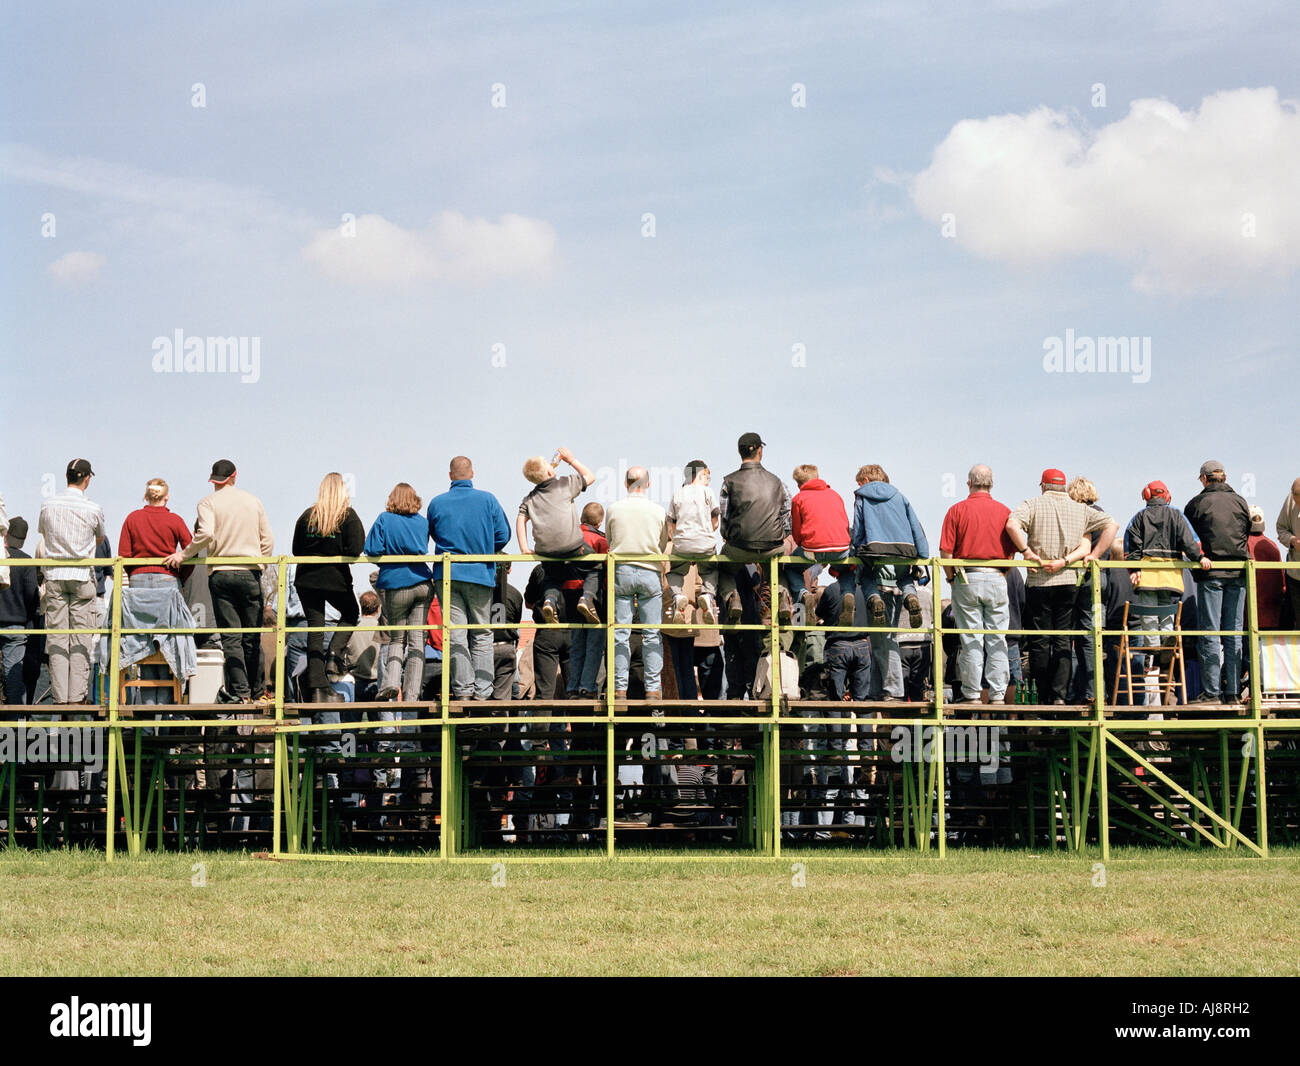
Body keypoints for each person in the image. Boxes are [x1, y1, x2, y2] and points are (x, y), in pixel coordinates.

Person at [165, 460, 274, 704]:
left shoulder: (207, 502)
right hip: (249, 572)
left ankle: (240, 692)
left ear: (214, 480)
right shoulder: (253, 501)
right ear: (235, 477)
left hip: (221, 572)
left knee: (230, 637)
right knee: (252, 635)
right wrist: (261, 563)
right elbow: (267, 540)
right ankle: (258, 692)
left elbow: (206, 533)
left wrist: (183, 554)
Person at [1005, 468, 1117, 705]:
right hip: (1069, 581)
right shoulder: (1081, 509)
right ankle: (1059, 696)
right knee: (1064, 639)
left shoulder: (1032, 504)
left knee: (1040, 641)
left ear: (1043, 485)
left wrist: (1026, 552)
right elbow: (1112, 525)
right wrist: (1095, 554)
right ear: (1063, 486)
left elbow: (1012, 525)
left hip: (1038, 581)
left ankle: (1043, 695)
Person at [427, 456, 512, 702]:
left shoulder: (437, 503)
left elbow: (430, 533)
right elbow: (503, 534)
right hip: (480, 573)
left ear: (450, 475)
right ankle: (483, 692)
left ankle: (463, 691)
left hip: (448, 575)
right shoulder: (488, 500)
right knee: (482, 633)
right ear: (472, 473)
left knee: (455, 633)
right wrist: (485, 548)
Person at [850, 464, 930, 701]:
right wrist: (922, 555)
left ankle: (892, 690)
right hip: (902, 556)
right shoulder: (900, 496)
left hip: (875, 559)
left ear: (864, 479)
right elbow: (916, 526)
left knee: (884, 637)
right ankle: (909, 594)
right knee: (905, 580)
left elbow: (859, 530)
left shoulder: (862, 496)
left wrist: (855, 549)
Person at [118, 478, 198, 705]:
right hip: (167, 581)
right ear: (167, 496)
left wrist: (138, 571)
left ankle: (147, 712)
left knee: (143, 642)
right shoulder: (174, 520)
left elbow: (124, 554)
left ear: (146, 495)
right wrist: (179, 576)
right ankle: (165, 712)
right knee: (168, 642)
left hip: (139, 583)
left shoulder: (132, 518)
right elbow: (190, 550)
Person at [939, 464, 1014, 704]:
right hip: (996, 576)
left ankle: (971, 694)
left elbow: (945, 552)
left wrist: (951, 578)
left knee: (971, 638)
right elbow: (1011, 553)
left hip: (966, 578)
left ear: (969, 483)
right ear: (992, 483)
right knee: (997, 638)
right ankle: (998, 694)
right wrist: (1003, 572)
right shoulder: (1004, 512)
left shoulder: (957, 510)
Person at [1123, 479, 1209, 679]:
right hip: (1171, 577)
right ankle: (1166, 650)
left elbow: (1130, 547)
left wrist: (1134, 569)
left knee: (1149, 616)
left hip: (1146, 577)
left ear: (1147, 495)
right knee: (1167, 614)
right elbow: (1191, 541)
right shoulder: (1177, 515)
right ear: (1167, 495)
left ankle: (1153, 651)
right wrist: (1200, 557)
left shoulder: (1138, 517)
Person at [37, 459, 107, 704]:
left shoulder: (48, 505)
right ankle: (76, 697)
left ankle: (59, 695)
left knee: (57, 638)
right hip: (81, 576)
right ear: (87, 479)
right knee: (80, 638)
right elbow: (100, 539)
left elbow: (44, 534)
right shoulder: (93, 508)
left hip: (54, 575)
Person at [1183, 460, 1252, 703]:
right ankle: (1232, 692)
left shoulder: (1196, 504)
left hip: (1211, 572)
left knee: (1210, 632)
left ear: (1204, 478)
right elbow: (1248, 530)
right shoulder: (1240, 501)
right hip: (1238, 573)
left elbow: (1188, 537)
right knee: (1233, 632)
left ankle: (1212, 692)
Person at [292, 473, 365, 704]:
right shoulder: (347, 515)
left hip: (307, 580)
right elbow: (355, 549)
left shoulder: (307, 515)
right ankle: (334, 653)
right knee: (351, 613)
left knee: (315, 629)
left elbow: (296, 549)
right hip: (335, 579)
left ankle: (317, 689)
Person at [363, 483, 434, 702]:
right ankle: (412, 694)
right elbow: (423, 546)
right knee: (416, 642)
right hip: (423, 583)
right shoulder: (422, 522)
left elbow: (371, 548)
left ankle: (391, 684)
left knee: (397, 639)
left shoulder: (385, 519)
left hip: (397, 584)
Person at [515, 447, 600, 624]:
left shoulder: (530, 498)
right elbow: (590, 477)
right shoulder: (565, 483)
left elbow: (520, 519)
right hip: (573, 545)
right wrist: (571, 459)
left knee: (552, 577)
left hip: (546, 550)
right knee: (596, 566)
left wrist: (524, 547)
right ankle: (587, 598)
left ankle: (549, 601)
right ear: (549, 470)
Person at [606, 467, 670, 699]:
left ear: (626, 484)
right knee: (652, 633)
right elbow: (662, 543)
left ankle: (620, 689)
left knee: (620, 633)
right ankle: (653, 689)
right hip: (649, 570)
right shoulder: (658, 511)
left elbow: (609, 540)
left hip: (621, 570)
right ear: (648, 483)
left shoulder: (613, 509)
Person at [717, 433, 793, 625]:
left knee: (723, 570)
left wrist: (728, 536)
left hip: (739, 545)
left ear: (739, 452)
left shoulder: (729, 481)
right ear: (760, 450)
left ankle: (732, 599)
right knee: (776, 569)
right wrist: (781, 536)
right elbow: (786, 513)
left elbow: (724, 518)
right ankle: (783, 598)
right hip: (773, 545)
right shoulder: (778, 482)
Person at [786, 464, 853, 619]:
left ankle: (803, 594)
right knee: (848, 570)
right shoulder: (835, 495)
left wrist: (805, 543)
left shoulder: (798, 499)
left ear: (798, 484)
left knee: (791, 569)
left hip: (812, 549)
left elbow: (796, 531)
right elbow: (845, 523)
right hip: (841, 548)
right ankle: (847, 595)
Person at [665, 460, 720, 624]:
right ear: (701, 473)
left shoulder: (678, 493)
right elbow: (716, 521)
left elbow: (670, 524)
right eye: (707, 477)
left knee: (675, 572)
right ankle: (707, 595)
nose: (707, 481)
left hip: (682, 544)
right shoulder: (708, 492)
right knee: (710, 571)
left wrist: (678, 538)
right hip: (705, 544)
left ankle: (678, 595)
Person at [566, 502, 607, 698]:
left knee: (576, 644)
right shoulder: (599, 540)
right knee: (594, 645)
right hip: (594, 600)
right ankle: (587, 686)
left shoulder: (570, 537)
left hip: (570, 594)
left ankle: (573, 686)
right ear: (599, 522)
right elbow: (605, 572)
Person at [0, 517, 40, 704]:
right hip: (16, 625)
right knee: (13, 675)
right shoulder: (27, 561)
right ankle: (15, 724)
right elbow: (32, 596)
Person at [1246, 506, 1283, 631]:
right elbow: (1281, 583)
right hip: (1272, 615)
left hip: (1247, 617)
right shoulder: (1272, 546)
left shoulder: (1242, 545)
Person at [1276, 478, 1300, 628]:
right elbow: (1281, 528)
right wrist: (1292, 541)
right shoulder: (1290, 500)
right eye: (1297, 502)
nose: (1298, 506)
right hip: (1295, 575)